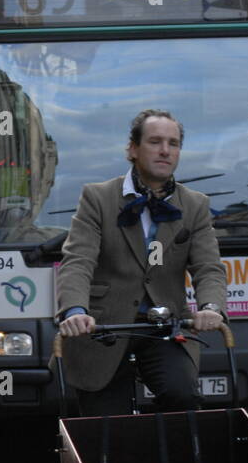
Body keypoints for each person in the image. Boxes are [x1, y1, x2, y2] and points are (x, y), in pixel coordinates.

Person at [55, 109, 229, 419]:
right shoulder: (97, 198)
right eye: (155, 141)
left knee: (182, 396)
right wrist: (75, 311)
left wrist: (212, 308)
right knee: (108, 424)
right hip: (104, 327)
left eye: (173, 143)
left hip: (164, 326)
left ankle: (171, 459)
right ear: (133, 149)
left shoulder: (195, 205)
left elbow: (208, 267)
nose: (165, 150)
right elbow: (78, 260)